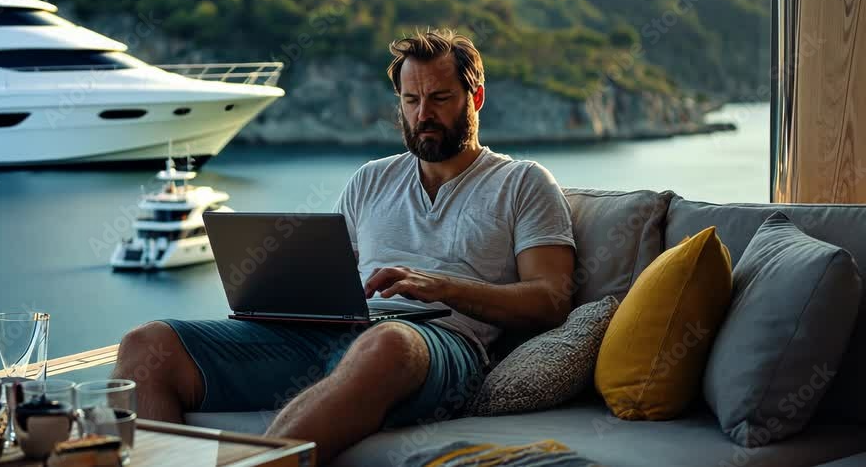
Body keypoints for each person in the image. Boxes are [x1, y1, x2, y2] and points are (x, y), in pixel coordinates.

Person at [112, 29, 577, 463]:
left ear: (475, 97)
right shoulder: (371, 179)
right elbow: (331, 277)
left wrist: (444, 287)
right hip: (330, 339)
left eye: (439, 99)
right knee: (146, 345)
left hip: (438, 348)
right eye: (410, 100)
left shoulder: (523, 183)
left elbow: (551, 300)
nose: (422, 115)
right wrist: (280, 299)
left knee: (388, 341)